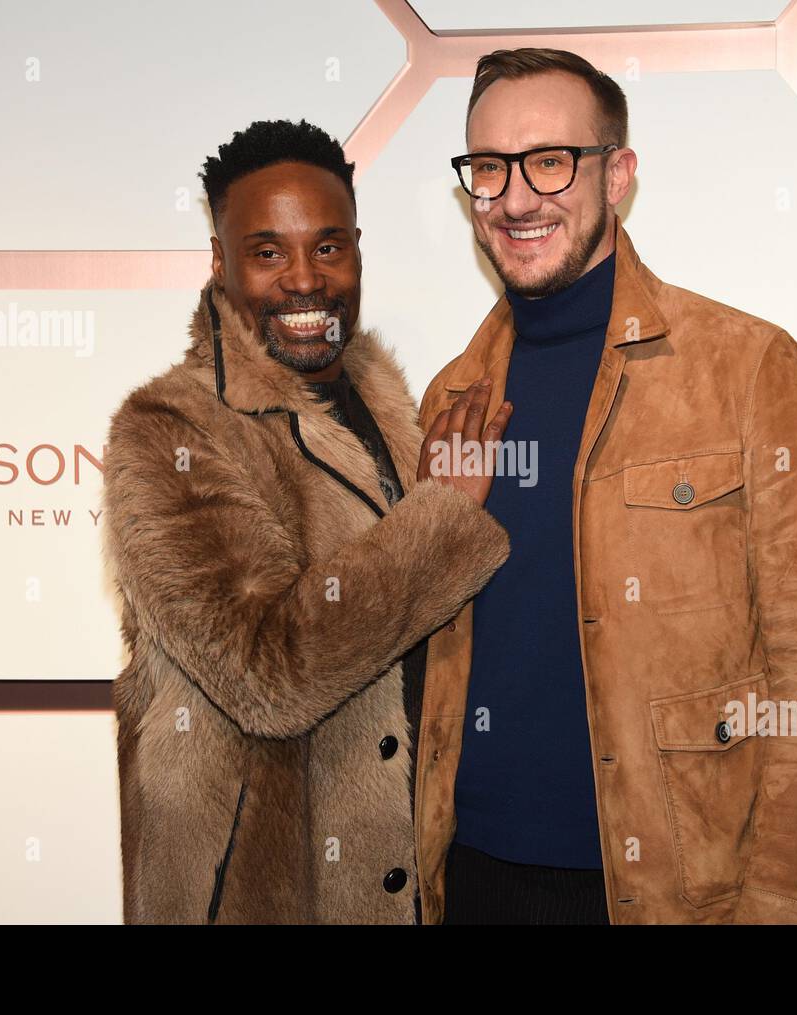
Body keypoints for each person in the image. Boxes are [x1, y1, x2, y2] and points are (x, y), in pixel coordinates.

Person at [414, 48, 797, 925]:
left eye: (550, 161)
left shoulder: (749, 371)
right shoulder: (452, 398)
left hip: (668, 897)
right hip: (469, 884)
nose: (516, 199)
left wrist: (780, 911)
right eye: (488, 168)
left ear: (618, 174)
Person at [102, 118, 511, 923]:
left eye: (327, 247)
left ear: (358, 248)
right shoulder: (167, 430)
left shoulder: (391, 398)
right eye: (267, 252)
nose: (304, 279)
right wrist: (440, 517)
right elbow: (267, 673)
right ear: (219, 262)